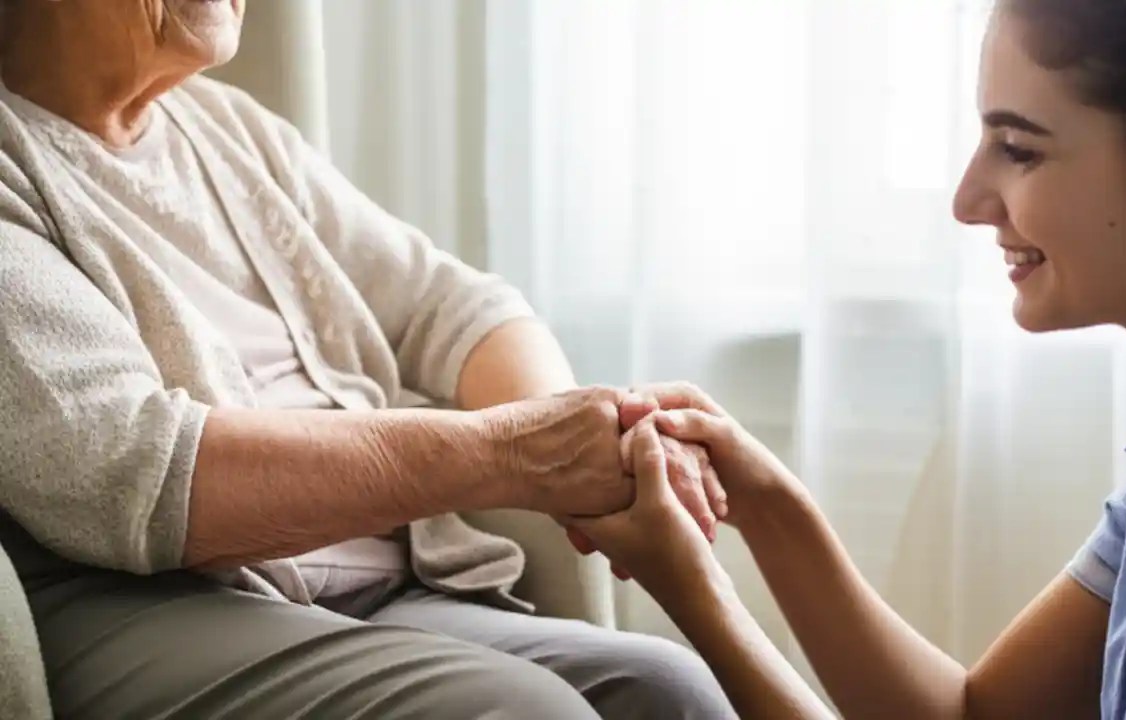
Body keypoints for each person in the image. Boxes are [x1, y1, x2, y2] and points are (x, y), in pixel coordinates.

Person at [0, 0, 736, 717]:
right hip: (156, 606)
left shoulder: (224, 127)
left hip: (377, 589)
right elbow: (139, 473)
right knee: (521, 710)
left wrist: (600, 441)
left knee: (669, 689)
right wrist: (523, 454)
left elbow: (453, 306)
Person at [572, 1, 1126, 718]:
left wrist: (696, 590)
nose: (968, 202)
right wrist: (767, 507)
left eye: (1019, 148)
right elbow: (975, 715)